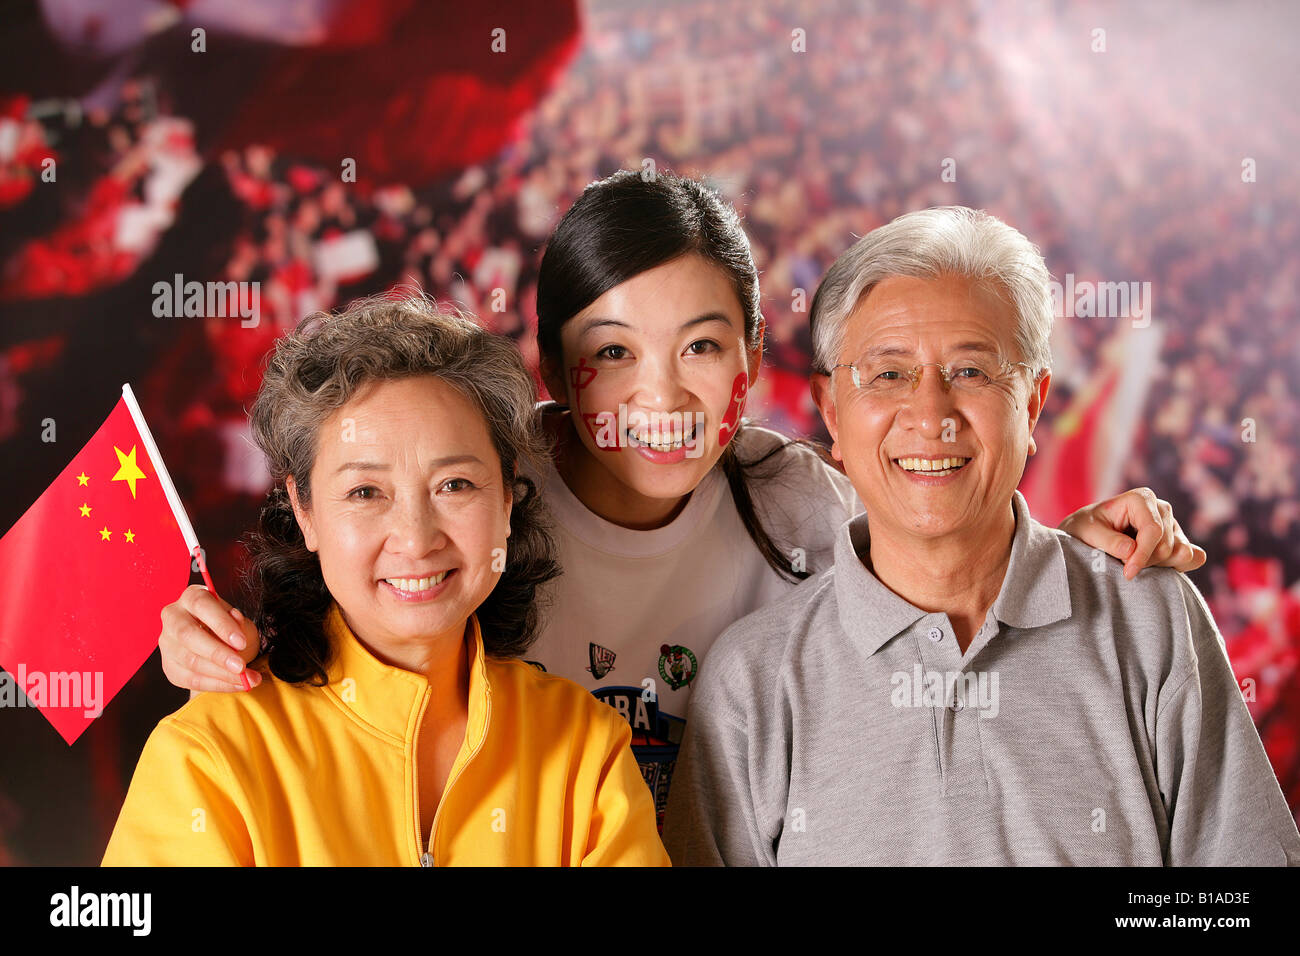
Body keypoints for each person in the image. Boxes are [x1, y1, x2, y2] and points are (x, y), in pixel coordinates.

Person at [151, 172, 1203, 832]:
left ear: (749, 361)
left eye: (700, 346)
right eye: (612, 354)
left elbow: (936, 551)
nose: (659, 396)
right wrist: (202, 638)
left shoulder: (793, 501)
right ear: (556, 371)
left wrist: (1064, 547)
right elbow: (360, 601)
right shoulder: (474, 499)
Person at [662, 206, 1300, 866]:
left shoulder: (1149, 621)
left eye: (971, 371)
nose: (931, 414)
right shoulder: (753, 682)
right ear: (830, 412)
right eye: (888, 373)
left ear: (1031, 403)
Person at [103, 294, 668, 865]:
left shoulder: (583, 748)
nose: (417, 538)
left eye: (454, 485)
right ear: (305, 512)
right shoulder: (210, 755)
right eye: (365, 492)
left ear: (506, 494)